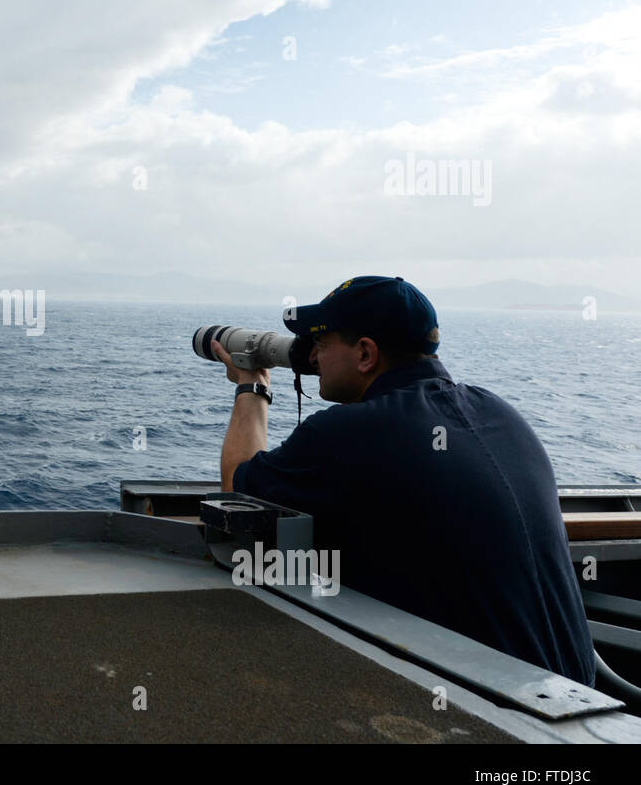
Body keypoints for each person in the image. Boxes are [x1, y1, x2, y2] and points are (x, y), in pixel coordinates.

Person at [212, 275, 596, 686]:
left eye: (321, 344)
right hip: (576, 697)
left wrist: (253, 384)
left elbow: (238, 486)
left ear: (365, 353)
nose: (313, 358)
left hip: (495, 713)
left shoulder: (350, 432)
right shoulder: (503, 414)